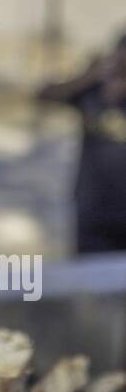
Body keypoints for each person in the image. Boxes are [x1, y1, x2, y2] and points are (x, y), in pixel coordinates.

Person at [37, 34, 126, 254]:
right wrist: (90, 76)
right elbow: (45, 96)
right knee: (89, 283)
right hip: (92, 210)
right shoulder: (92, 89)